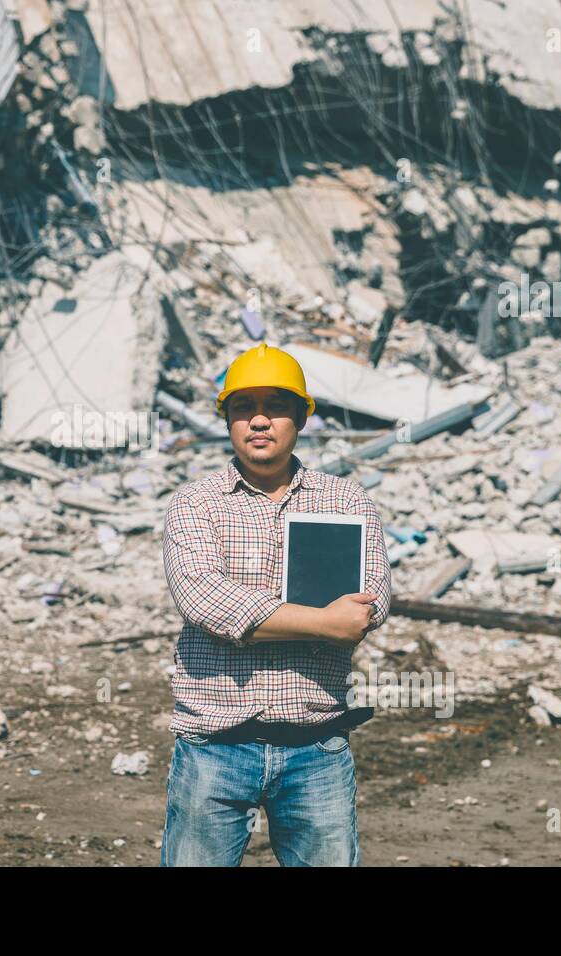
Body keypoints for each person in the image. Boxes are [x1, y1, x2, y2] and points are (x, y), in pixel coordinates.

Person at [159, 343, 392, 867]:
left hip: (317, 748)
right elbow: (203, 599)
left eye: (276, 406)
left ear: (302, 418)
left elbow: (367, 607)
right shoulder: (197, 503)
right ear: (226, 419)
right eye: (244, 407)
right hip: (214, 743)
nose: (259, 420)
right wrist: (321, 622)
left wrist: (272, 621)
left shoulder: (345, 502)